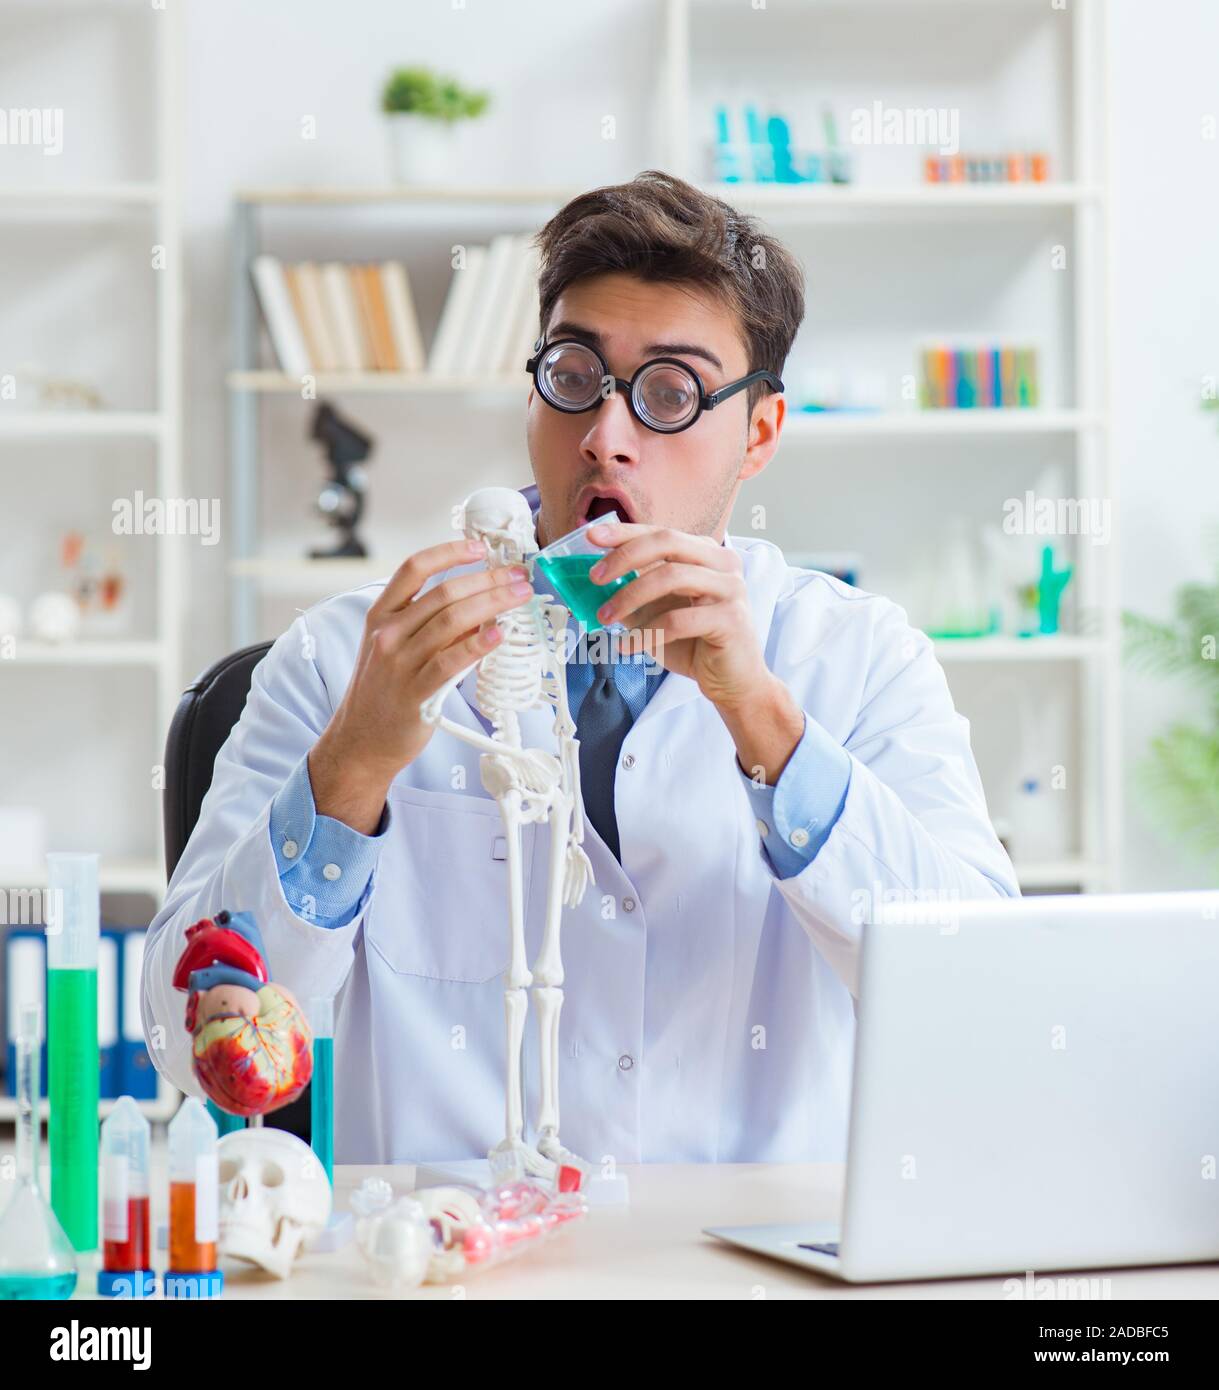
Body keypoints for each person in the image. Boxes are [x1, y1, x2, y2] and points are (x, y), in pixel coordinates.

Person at [144, 170, 1017, 1165]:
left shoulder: (855, 660)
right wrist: (350, 767)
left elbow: (978, 998)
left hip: (745, 1270)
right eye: (573, 374)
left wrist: (768, 724)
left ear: (760, 432)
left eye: (671, 394)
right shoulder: (342, 656)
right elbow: (182, 1043)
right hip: (442, 1262)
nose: (606, 438)